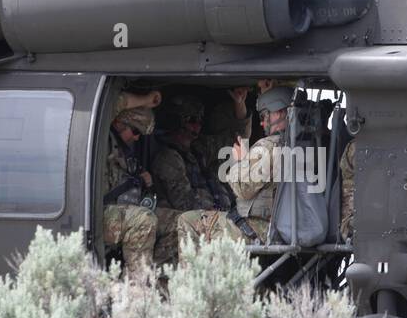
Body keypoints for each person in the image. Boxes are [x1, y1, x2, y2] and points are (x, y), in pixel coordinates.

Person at [177, 85, 292, 247]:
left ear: (279, 113)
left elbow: (242, 189)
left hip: (256, 229)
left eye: (265, 116)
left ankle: (195, 273)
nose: (262, 123)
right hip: (284, 227)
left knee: (186, 220)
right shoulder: (306, 145)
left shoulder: (267, 147)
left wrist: (240, 161)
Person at [103, 105, 158, 281]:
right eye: (135, 131)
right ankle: (135, 291)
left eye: (139, 134)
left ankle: (160, 281)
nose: (136, 137)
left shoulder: (126, 152)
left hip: (124, 210)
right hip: (98, 214)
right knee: (144, 220)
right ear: (118, 123)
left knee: (178, 221)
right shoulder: (104, 142)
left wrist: (143, 180)